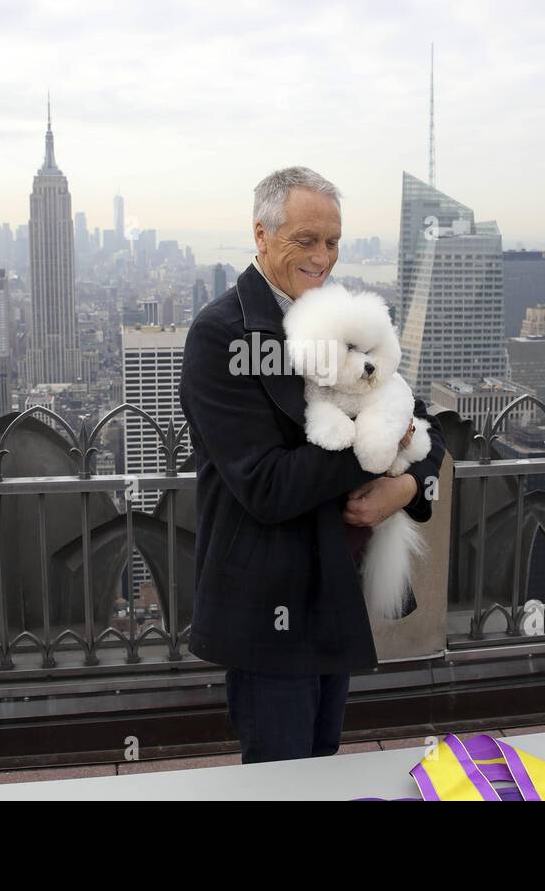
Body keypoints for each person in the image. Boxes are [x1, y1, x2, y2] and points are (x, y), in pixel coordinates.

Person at [178, 166, 446, 763]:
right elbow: (267, 486)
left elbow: (423, 423)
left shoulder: (341, 315)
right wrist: (375, 444)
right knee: (283, 778)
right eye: (306, 239)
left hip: (335, 591)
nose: (323, 256)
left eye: (332, 241)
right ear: (262, 235)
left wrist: (406, 484)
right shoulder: (221, 336)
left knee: (323, 767)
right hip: (268, 604)